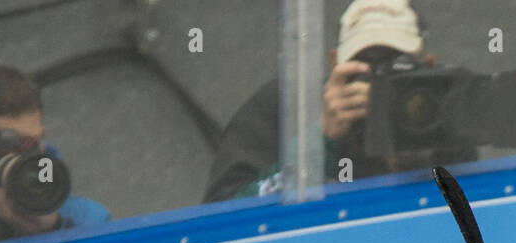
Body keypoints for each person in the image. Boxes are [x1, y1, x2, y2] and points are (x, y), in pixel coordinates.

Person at [203, 0, 476, 203]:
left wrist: (411, 149)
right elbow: (222, 217)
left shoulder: (438, 113)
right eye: (365, 64)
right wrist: (320, 139)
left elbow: (464, 220)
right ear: (336, 63)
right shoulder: (286, 105)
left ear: (426, 64)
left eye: (396, 63)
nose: (379, 78)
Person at [0, 66, 109, 241]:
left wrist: (52, 231)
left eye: (31, 143)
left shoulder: (88, 221)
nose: (21, 158)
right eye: (5, 144)